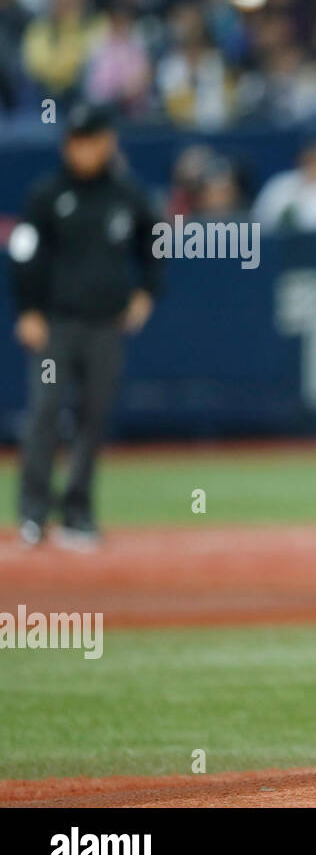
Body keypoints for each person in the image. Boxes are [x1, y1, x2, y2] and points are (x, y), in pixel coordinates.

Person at [8, 102, 162, 549]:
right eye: (74, 141)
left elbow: (155, 242)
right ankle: (34, 516)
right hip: (57, 326)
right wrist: (28, 310)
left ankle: (78, 514)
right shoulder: (48, 194)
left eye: (89, 141)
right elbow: (23, 255)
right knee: (44, 415)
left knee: (93, 418)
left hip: (104, 327)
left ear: (107, 142)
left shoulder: (126, 194)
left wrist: (146, 293)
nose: (80, 150)